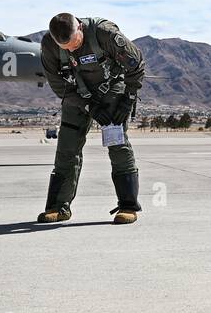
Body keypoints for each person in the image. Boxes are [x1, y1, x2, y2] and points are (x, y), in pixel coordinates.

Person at [37, 12, 146, 224]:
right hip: (77, 94)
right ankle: (58, 207)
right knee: (67, 147)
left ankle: (128, 206)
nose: (70, 50)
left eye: (73, 44)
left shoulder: (104, 34)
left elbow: (136, 64)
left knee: (116, 143)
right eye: (65, 48)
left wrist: (128, 99)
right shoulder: (49, 45)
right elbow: (58, 84)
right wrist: (89, 106)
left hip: (112, 89)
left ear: (79, 28)